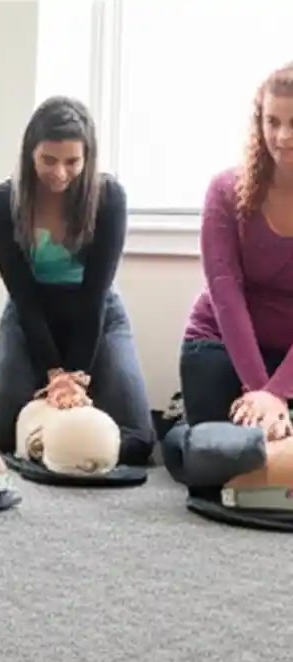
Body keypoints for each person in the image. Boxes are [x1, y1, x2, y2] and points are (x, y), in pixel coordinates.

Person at [0, 96, 156, 466]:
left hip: (96, 313)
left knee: (138, 441)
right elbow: (23, 296)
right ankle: (58, 435)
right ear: (30, 154)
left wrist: (74, 376)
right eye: (48, 160)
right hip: (31, 314)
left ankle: (67, 438)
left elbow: (95, 295)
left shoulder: (109, 198)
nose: (59, 173)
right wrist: (53, 372)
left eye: (72, 162)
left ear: (88, 159)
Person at [180, 62, 293, 443]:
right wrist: (259, 389)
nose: (282, 136)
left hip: (289, 364)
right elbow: (225, 292)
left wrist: (278, 392)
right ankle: (189, 438)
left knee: (269, 448)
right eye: (272, 121)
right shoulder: (226, 189)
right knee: (222, 448)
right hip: (220, 347)